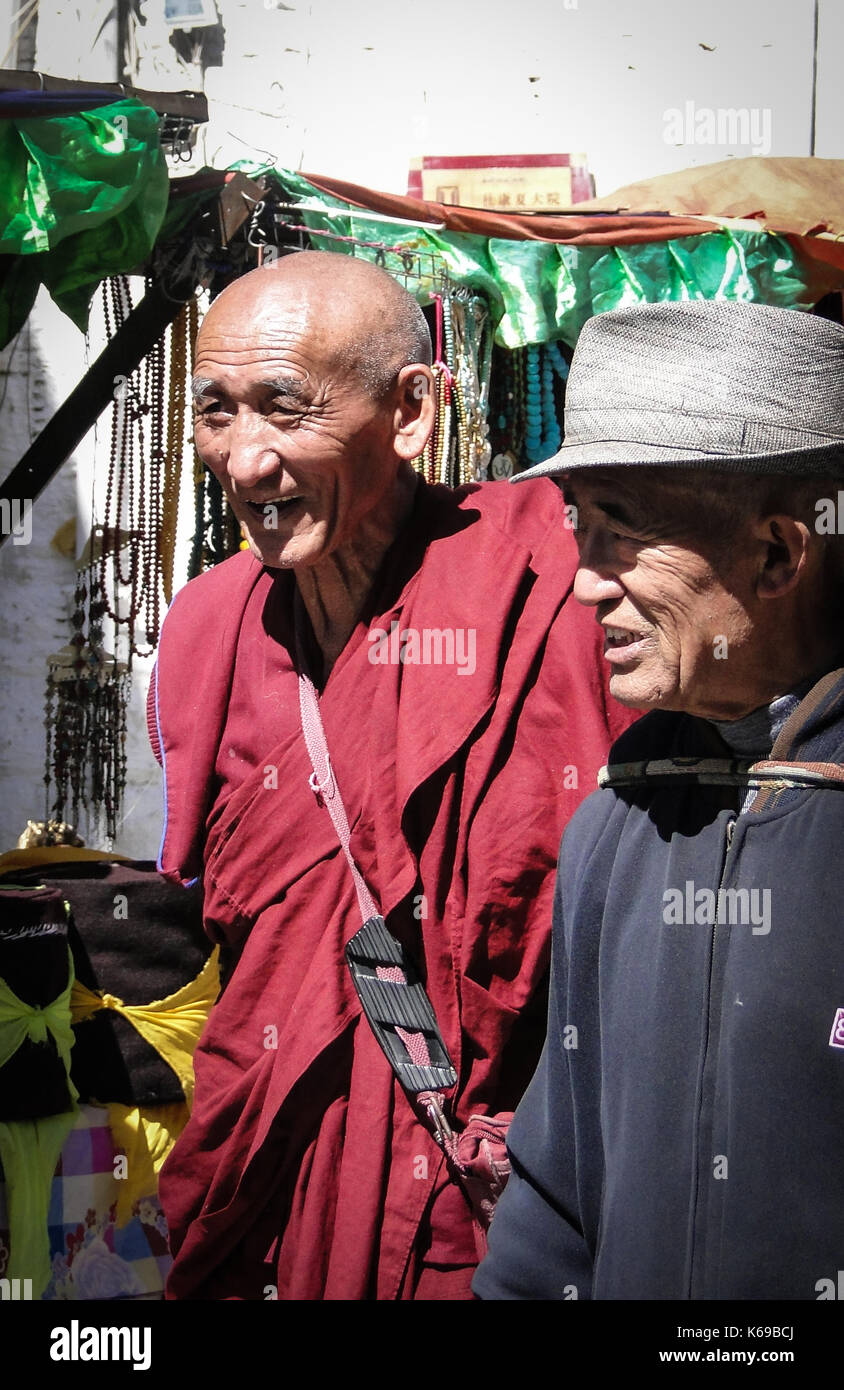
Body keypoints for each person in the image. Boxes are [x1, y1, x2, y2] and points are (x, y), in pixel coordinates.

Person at [147, 251, 633, 1300]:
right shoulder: (209, 629)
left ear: (410, 412)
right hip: (270, 1183)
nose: (243, 460)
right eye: (217, 411)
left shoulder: (550, 589)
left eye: (285, 407)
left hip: (485, 1197)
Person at [473, 297, 844, 1301]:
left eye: (621, 536)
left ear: (777, 552)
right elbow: (556, 1188)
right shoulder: (620, 817)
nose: (585, 586)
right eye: (579, 530)